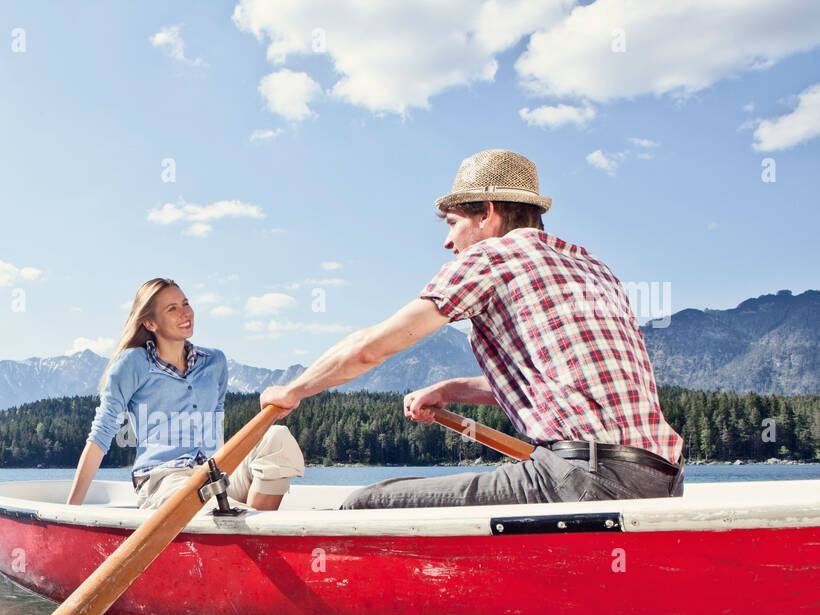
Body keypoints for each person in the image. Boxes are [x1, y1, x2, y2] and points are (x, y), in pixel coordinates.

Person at [258, 148, 684, 509]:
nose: (448, 242)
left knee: (367, 504)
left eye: (452, 223)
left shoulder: (489, 259)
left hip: (585, 479)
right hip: (661, 478)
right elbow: (562, 385)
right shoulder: (592, 267)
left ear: (487, 214)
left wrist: (293, 390)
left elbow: (371, 349)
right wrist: (450, 389)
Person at [68, 278, 304, 511]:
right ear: (150, 323)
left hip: (215, 473)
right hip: (164, 481)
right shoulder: (132, 363)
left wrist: (224, 472)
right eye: (172, 308)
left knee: (277, 437)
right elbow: (100, 436)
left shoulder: (214, 362)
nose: (185, 313)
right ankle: (232, 520)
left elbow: (215, 428)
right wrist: (71, 511)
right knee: (211, 506)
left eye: (186, 303)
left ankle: (251, 536)